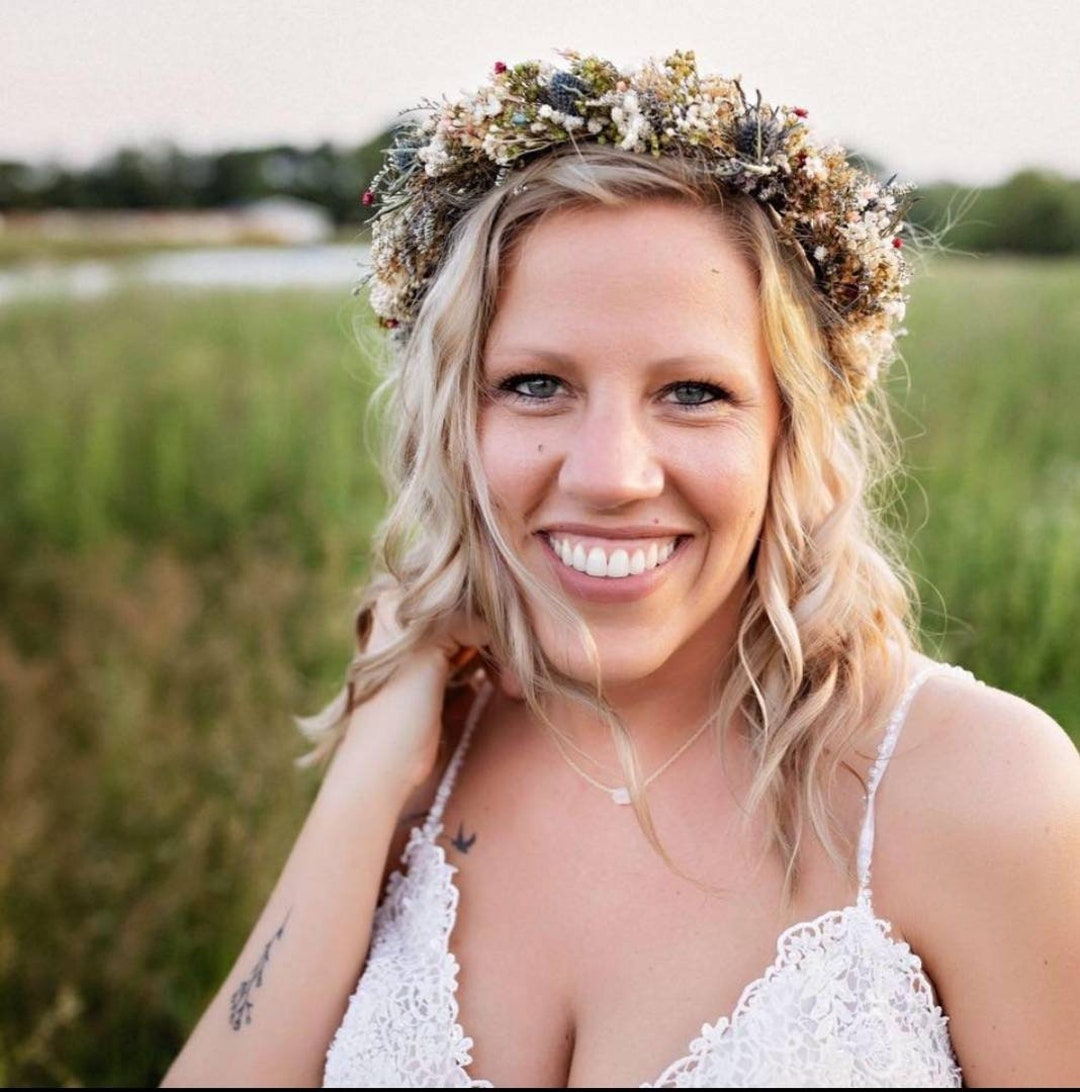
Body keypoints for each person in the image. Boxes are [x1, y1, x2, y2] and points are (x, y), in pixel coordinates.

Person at [161, 52, 1080, 1088]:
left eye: (692, 392)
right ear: (458, 421)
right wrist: (368, 782)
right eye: (537, 383)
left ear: (793, 429)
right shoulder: (424, 763)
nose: (609, 476)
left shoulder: (986, 789)